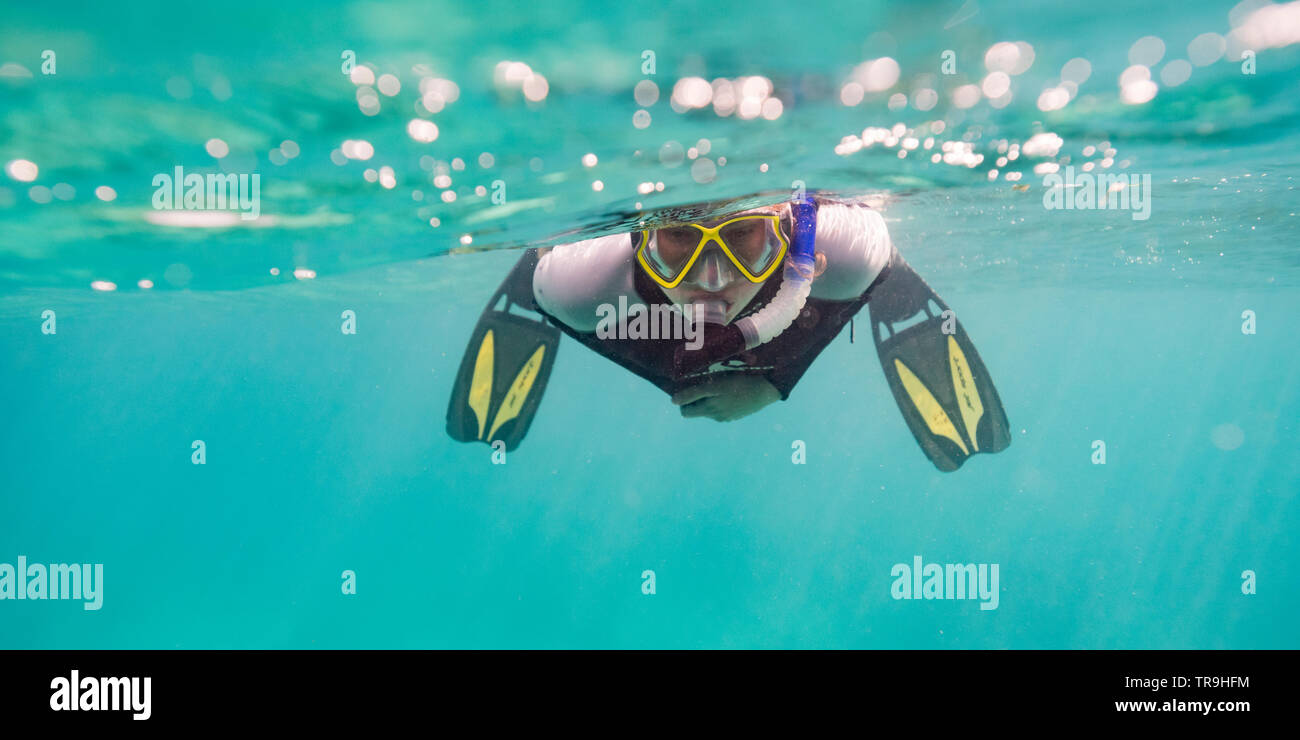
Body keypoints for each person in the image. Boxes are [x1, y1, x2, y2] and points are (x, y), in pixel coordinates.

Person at [448, 192, 1010, 471]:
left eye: (744, 238)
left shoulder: (849, 251)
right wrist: (768, 377)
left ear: (791, 244)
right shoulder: (576, 285)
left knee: (869, 269)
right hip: (590, 287)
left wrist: (772, 382)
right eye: (680, 242)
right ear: (640, 244)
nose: (711, 282)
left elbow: (865, 261)